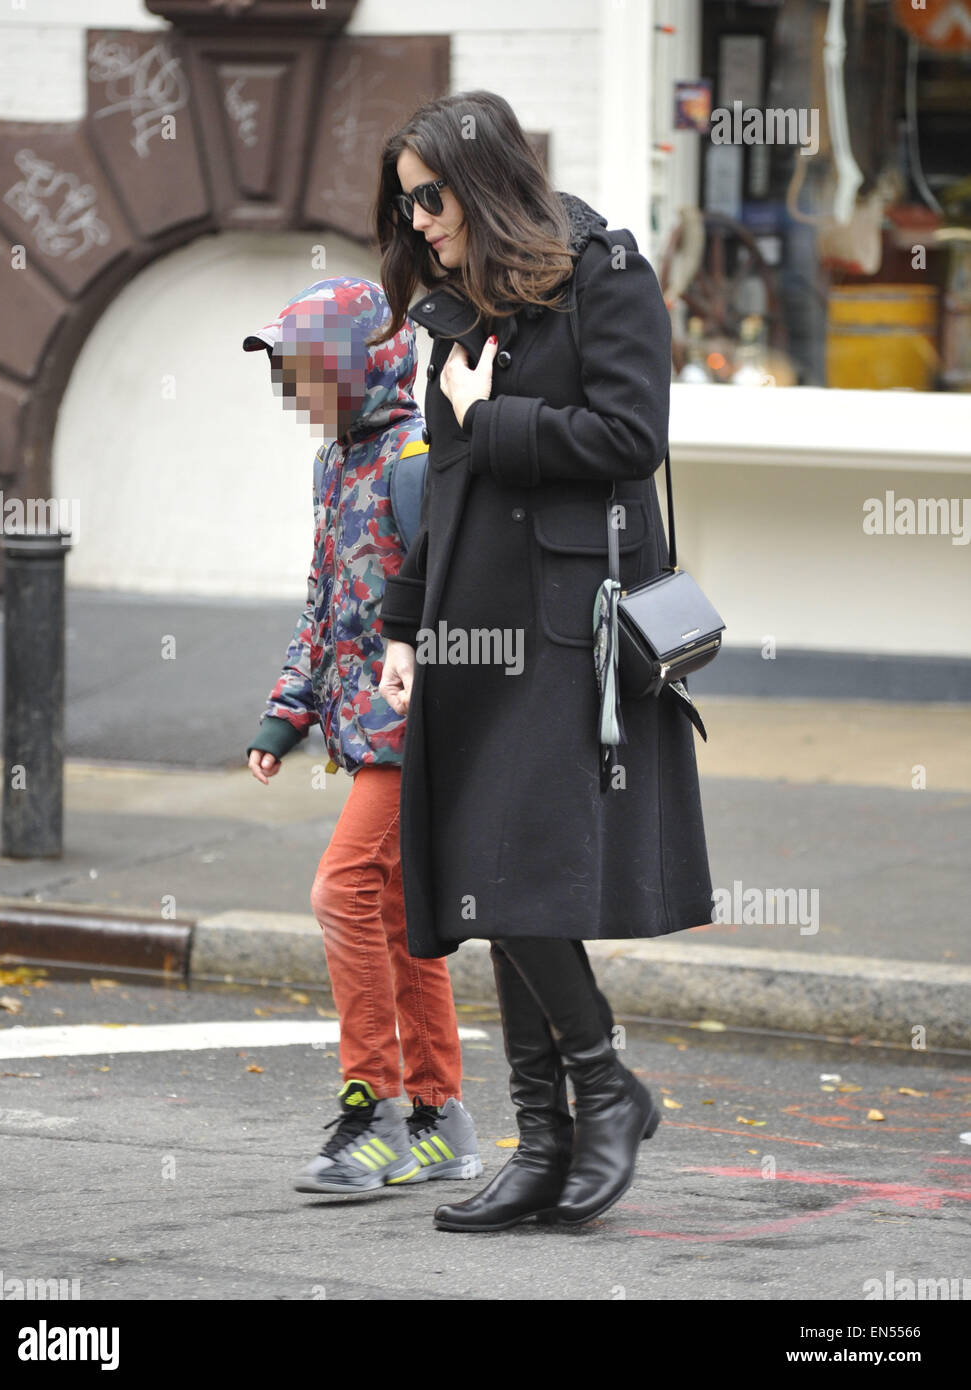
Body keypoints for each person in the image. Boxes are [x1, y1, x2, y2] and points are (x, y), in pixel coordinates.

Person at [372, 92, 716, 1231]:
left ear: (483, 184)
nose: (418, 219)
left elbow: (631, 436)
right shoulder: (456, 308)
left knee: (512, 864)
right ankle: (545, 1139)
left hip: (569, 626)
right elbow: (448, 482)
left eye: (432, 196)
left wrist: (493, 415)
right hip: (473, 627)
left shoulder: (603, 269)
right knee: (484, 870)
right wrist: (401, 626)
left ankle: (606, 1083)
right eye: (406, 201)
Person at [242, 277, 481, 1194]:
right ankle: (439, 1119)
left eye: (308, 374)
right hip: (361, 732)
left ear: (364, 367)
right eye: (289, 378)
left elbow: (453, 605)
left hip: (415, 733)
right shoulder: (333, 466)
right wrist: (286, 712)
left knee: (341, 891)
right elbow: (322, 604)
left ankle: (371, 1111)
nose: (297, 395)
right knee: (393, 919)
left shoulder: (420, 463)